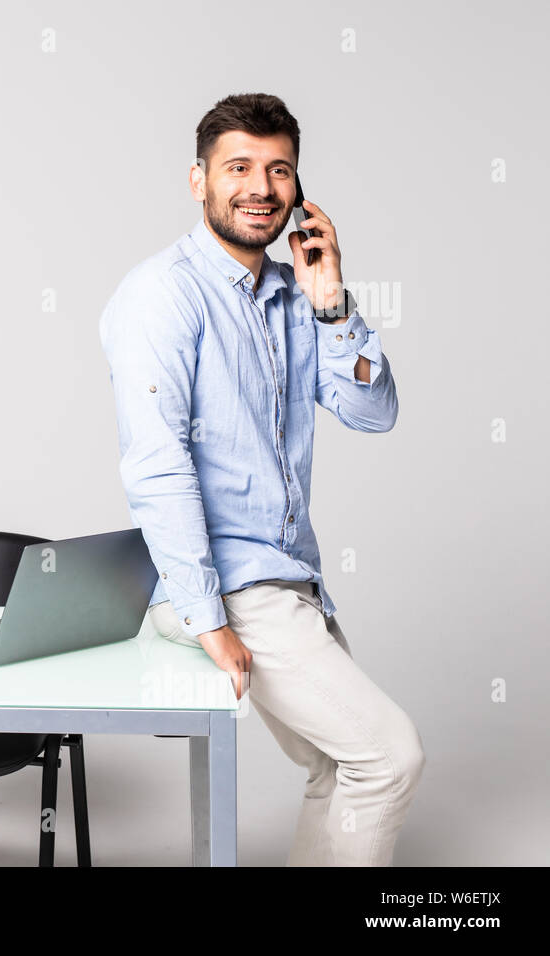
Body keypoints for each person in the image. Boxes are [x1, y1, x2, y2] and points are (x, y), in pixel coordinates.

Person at [99, 92, 424, 866]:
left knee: (333, 767)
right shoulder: (162, 295)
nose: (260, 187)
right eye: (238, 167)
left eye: (279, 170)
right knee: (387, 757)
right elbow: (157, 463)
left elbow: (374, 413)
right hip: (230, 585)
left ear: (298, 190)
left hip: (288, 579)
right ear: (198, 180)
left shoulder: (290, 294)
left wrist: (332, 299)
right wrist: (206, 613)